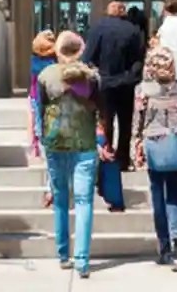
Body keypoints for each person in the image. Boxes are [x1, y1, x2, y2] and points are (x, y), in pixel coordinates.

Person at [37, 31, 114, 278]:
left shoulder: (45, 76)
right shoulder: (92, 78)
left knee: (60, 199)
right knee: (84, 201)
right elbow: (103, 113)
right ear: (80, 50)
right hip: (84, 144)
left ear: (58, 51)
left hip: (56, 142)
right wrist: (106, 141)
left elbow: (39, 109)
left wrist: (42, 139)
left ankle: (63, 254)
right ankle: (82, 259)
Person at [134, 47, 177, 269]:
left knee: (157, 193)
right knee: (174, 192)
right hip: (176, 140)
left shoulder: (143, 89)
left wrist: (135, 143)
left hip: (154, 142)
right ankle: (176, 235)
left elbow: (138, 119)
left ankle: (164, 245)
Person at [83, 1, 144, 170]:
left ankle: (107, 155)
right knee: (125, 123)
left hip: (105, 81)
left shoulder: (98, 28)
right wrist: (132, 77)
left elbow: (88, 56)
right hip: (126, 82)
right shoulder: (133, 30)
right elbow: (139, 58)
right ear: (123, 12)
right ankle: (123, 159)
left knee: (106, 120)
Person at [27, 29, 57, 163]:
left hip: (36, 95)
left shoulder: (34, 60)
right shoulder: (55, 60)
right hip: (47, 95)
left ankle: (36, 147)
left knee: (36, 121)